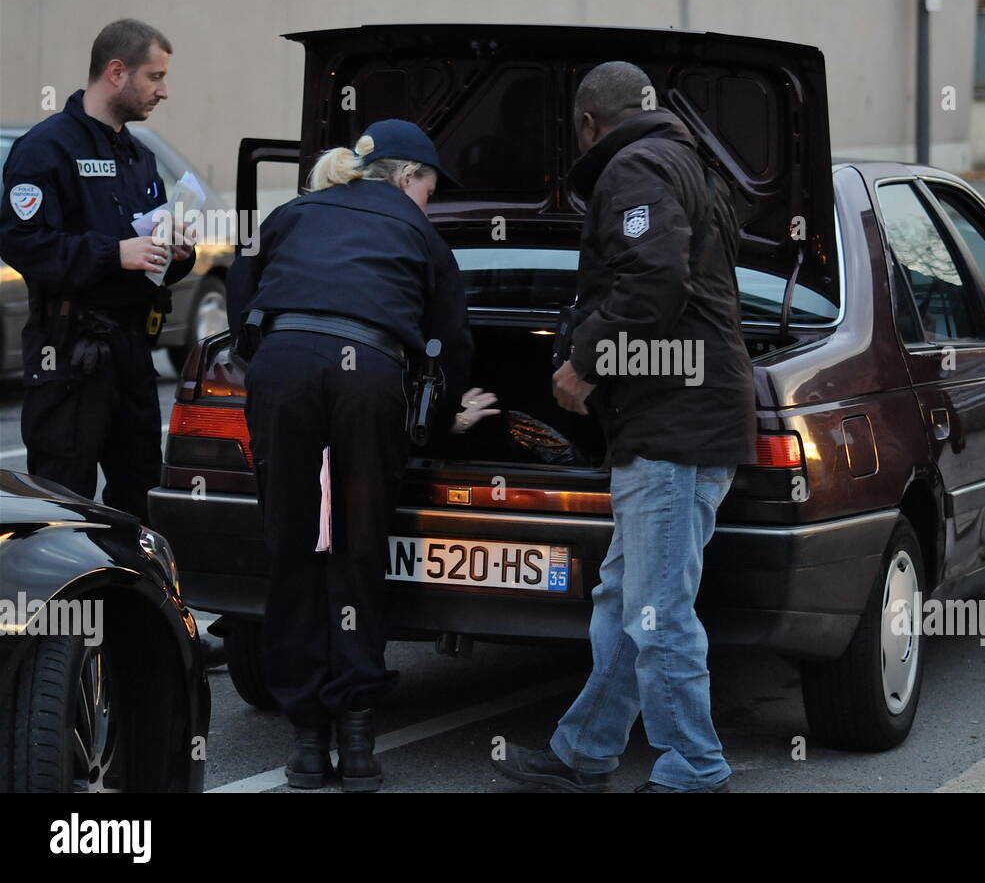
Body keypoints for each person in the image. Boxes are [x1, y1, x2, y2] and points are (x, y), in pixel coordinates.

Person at [491, 62, 756, 792]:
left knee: (656, 609)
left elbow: (653, 282)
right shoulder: (689, 162)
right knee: (623, 600)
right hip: (685, 418)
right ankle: (584, 751)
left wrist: (584, 360)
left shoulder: (634, 166)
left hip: (673, 426)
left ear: (587, 124)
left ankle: (695, 768)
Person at [226, 119, 497, 792]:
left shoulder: (293, 214)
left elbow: (242, 283)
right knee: (354, 547)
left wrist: (258, 357)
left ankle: (307, 746)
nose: (429, 200)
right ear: (409, 179)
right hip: (366, 376)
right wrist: (438, 420)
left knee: (294, 547)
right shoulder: (419, 233)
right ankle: (357, 739)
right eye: (431, 187)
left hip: (285, 369)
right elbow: (450, 341)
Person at [0, 19, 195, 521]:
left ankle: (131, 599)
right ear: (116, 72)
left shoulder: (139, 158)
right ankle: (67, 601)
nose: (163, 91)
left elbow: (149, 253)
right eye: (154, 77)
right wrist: (115, 254)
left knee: (141, 497)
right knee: (61, 506)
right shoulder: (46, 149)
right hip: (68, 351)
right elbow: (24, 243)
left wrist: (174, 254)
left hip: (131, 351)